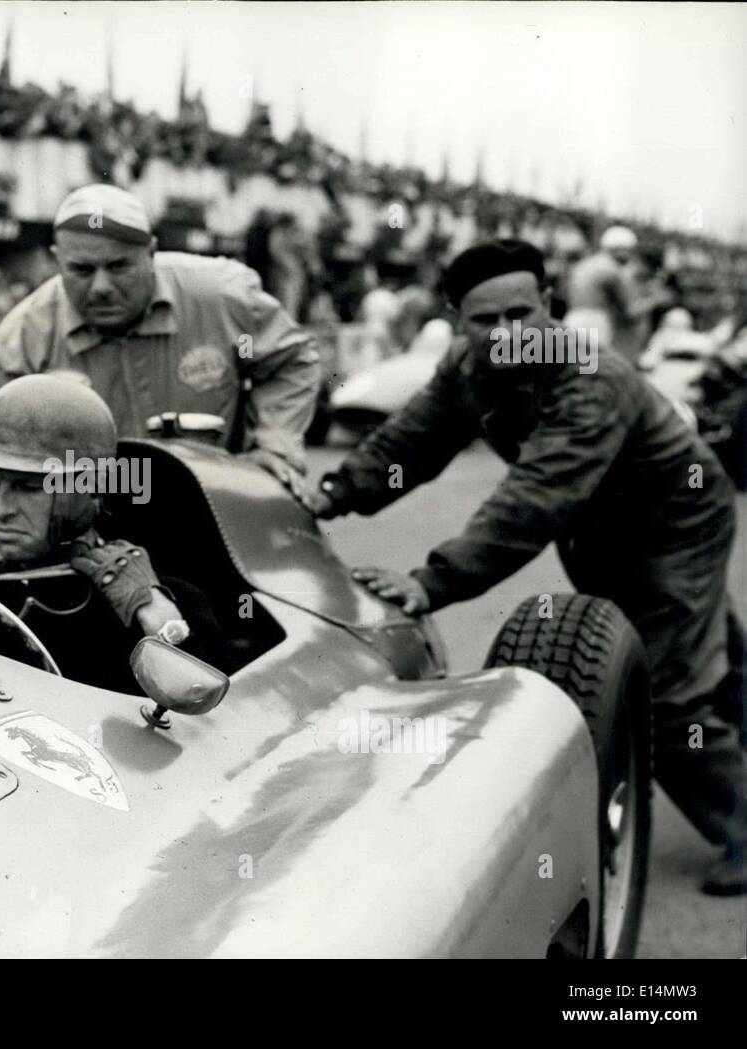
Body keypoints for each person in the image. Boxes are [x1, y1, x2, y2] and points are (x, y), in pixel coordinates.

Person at [306, 238, 747, 896]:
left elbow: (533, 501)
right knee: (706, 646)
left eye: (523, 313)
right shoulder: (465, 366)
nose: (510, 334)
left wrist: (433, 581)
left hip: (675, 526)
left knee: (663, 686)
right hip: (599, 527)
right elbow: (416, 437)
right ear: (457, 318)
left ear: (548, 302)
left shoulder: (588, 376)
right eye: (487, 320)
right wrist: (340, 491)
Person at [0, 184, 321, 492]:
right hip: (90, 515)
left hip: (214, 500)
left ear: (151, 252)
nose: (101, 288)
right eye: (82, 270)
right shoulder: (23, 339)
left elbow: (291, 361)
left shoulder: (222, 298)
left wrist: (273, 446)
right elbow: (0, 454)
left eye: (118, 267)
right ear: (57, 259)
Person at [0, 374, 226, 694]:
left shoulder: (171, 599)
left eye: (27, 487)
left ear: (86, 488)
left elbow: (206, 712)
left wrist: (159, 618)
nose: (1, 509)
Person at [566, 224, 648, 363]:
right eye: (629, 250)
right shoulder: (612, 270)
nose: (630, 255)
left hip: (572, 319)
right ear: (618, 249)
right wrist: (652, 301)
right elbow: (629, 311)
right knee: (592, 373)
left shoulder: (586, 264)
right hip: (595, 323)